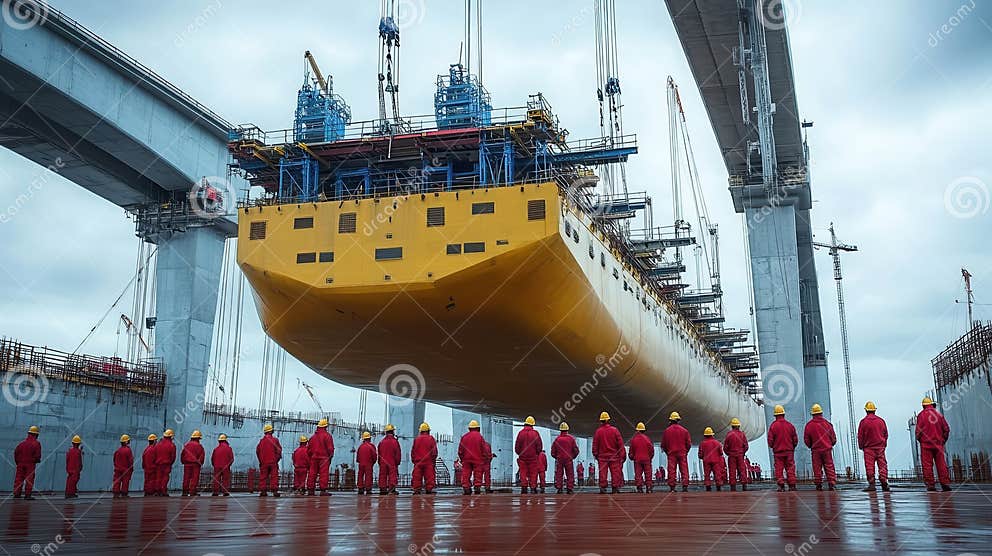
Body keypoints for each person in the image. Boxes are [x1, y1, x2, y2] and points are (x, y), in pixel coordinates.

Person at [915, 396, 951, 492]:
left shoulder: (921, 416)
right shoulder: (938, 415)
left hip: (926, 445)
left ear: (923, 406)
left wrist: (921, 440)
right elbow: (946, 429)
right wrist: (943, 440)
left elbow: (918, 432)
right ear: (931, 404)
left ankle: (931, 485)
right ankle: (945, 484)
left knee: (927, 465)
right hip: (938, 444)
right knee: (941, 464)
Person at [803, 404, 837, 491]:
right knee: (829, 466)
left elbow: (807, 440)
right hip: (827, 450)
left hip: (816, 450)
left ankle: (818, 484)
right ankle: (831, 484)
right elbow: (833, 438)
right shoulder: (828, 424)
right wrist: (829, 444)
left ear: (812, 414)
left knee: (817, 467)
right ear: (821, 413)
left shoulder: (809, 425)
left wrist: (811, 446)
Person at [857, 401, 889, 492]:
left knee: (869, 466)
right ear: (874, 410)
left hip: (868, 448)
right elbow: (885, 434)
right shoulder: (881, 421)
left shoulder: (863, 422)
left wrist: (861, 446)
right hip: (880, 447)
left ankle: (871, 484)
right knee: (882, 465)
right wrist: (883, 444)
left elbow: (860, 436)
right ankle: (884, 483)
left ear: (866, 411)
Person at [592, 411, 625, 494]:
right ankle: (615, 488)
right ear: (608, 420)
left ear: (601, 421)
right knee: (615, 472)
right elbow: (620, 444)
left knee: (603, 473)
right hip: (614, 456)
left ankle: (603, 488)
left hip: (602, 457)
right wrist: (622, 455)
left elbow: (595, 444)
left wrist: (595, 454)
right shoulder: (615, 430)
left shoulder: (598, 432)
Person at [767, 405, 799, 492]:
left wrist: (773, 446)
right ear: (784, 414)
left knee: (779, 469)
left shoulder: (773, 426)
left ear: (775, 416)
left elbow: (770, 440)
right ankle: (792, 485)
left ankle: (781, 485)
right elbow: (795, 439)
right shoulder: (790, 425)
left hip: (778, 452)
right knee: (790, 468)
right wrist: (792, 447)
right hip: (789, 451)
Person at [457, 420, 490, 495]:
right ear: (478, 428)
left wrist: (462, 459)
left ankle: (466, 488)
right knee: (478, 474)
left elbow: (460, 450)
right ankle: (477, 487)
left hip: (466, 460)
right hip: (477, 459)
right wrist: (485, 458)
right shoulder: (480, 437)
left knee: (466, 474)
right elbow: (484, 449)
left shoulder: (464, 437)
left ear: (469, 428)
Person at [661, 412, 691, 492]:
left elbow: (663, 444)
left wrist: (668, 452)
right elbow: (688, 444)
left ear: (670, 420)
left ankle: (672, 487)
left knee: (671, 470)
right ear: (678, 420)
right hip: (682, 453)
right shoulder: (685, 431)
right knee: (684, 469)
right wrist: (685, 452)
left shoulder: (667, 431)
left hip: (671, 453)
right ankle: (685, 486)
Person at [515, 416, 543, 494]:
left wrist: (519, 453)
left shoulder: (520, 433)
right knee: (533, 473)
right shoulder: (535, 433)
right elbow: (539, 446)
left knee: (523, 472)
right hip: (533, 457)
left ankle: (524, 488)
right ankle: (533, 488)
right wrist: (537, 453)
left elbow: (517, 446)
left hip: (523, 457)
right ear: (532, 425)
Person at [307, 418, 335, 496]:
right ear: (325, 426)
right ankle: (323, 490)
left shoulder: (312, 437)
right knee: (323, 474)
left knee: (312, 473)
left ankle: (310, 490)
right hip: (324, 458)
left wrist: (311, 457)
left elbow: (309, 450)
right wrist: (330, 455)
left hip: (314, 458)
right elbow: (330, 448)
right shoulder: (327, 436)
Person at [550, 422, 579, 494]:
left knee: (559, 474)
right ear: (567, 430)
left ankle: (559, 488)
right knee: (570, 474)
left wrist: (556, 457)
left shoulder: (557, 439)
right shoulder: (571, 439)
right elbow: (576, 450)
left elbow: (553, 451)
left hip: (559, 459)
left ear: (560, 430)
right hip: (568, 459)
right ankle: (569, 489)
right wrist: (572, 457)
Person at [411, 422, 438, 494]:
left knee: (417, 477)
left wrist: (414, 461)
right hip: (428, 462)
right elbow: (434, 451)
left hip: (418, 462)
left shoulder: (416, 439)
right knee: (429, 476)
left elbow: (413, 451)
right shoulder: (431, 439)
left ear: (420, 431)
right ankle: (429, 489)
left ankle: (416, 489)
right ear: (428, 431)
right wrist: (433, 460)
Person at [256, 424, 282, 497]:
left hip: (264, 462)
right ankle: (274, 491)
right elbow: (279, 450)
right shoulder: (275, 440)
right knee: (274, 476)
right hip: (273, 462)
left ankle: (263, 491)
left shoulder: (261, 442)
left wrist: (261, 460)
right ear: (271, 431)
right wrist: (276, 459)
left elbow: (257, 451)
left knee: (263, 477)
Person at [723, 418, 749, 491]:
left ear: (732, 426)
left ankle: (733, 487)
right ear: (738, 426)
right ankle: (744, 486)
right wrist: (742, 453)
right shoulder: (742, 435)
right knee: (742, 470)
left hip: (732, 456)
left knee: (732, 471)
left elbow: (725, 447)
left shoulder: (729, 435)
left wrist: (729, 453)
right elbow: (746, 446)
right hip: (740, 455)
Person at [628, 422, 655, 493]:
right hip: (646, 459)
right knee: (648, 473)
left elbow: (631, 451)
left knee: (638, 474)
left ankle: (639, 488)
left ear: (637, 430)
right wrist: (650, 457)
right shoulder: (647, 439)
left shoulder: (634, 440)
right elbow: (651, 450)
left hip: (637, 459)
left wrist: (632, 457)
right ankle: (649, 487)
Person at [699, 427, 725, 491]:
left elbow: (700, 454)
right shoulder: (717, 443)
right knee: (717, 474)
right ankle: (718, 487)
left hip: (706, 461)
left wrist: (703, 457)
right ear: (712, 434)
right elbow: (721, 453)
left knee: (707, 474)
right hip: (716, 461)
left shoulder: (702, 443)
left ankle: (708, 487)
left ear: (705, 435)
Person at [377, 424, 401, 495]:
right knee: (392, 475)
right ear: (393, 432)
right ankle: (392, 489)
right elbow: (398, 453)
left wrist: (379, 462)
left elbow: (379, 453)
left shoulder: (381, 442)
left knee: (382, 475)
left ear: (386, 432)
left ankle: (382, 489)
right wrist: (397, 462)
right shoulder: (395, 442)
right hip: (392, 462)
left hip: (383, 462)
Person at [181, 430, 205, 496]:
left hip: (187, 464)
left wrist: (183, 461)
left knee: (186, 477)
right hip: (195, 464)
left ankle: (185, 491)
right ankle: (192, 491)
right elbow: (202, 455)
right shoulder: (199, 446)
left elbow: (183, 454)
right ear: (198, 438)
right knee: (194, 478)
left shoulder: (187, 445)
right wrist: (200, 463)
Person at [154, 429, 177, 496]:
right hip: (167, 464)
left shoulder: (158, 444)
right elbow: (173, 456)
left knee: (158, 477)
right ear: (171, 436)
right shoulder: (172, 445)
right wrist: (170, 462)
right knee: (165, 478)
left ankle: (157, 491)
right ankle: (163, 490)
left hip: (158, 464)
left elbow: (155, 454)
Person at [65, 435, 83, 499]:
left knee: (69, 481)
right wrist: (80, 468)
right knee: (74, 481)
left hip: (69, 469)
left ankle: (68, 493)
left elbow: (67, 460)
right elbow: (79, 461)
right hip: (75, 470)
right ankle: (71, 494)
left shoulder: (69, 451)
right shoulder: (78, 452)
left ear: (72, 443)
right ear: (78, 444)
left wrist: (67, 468)